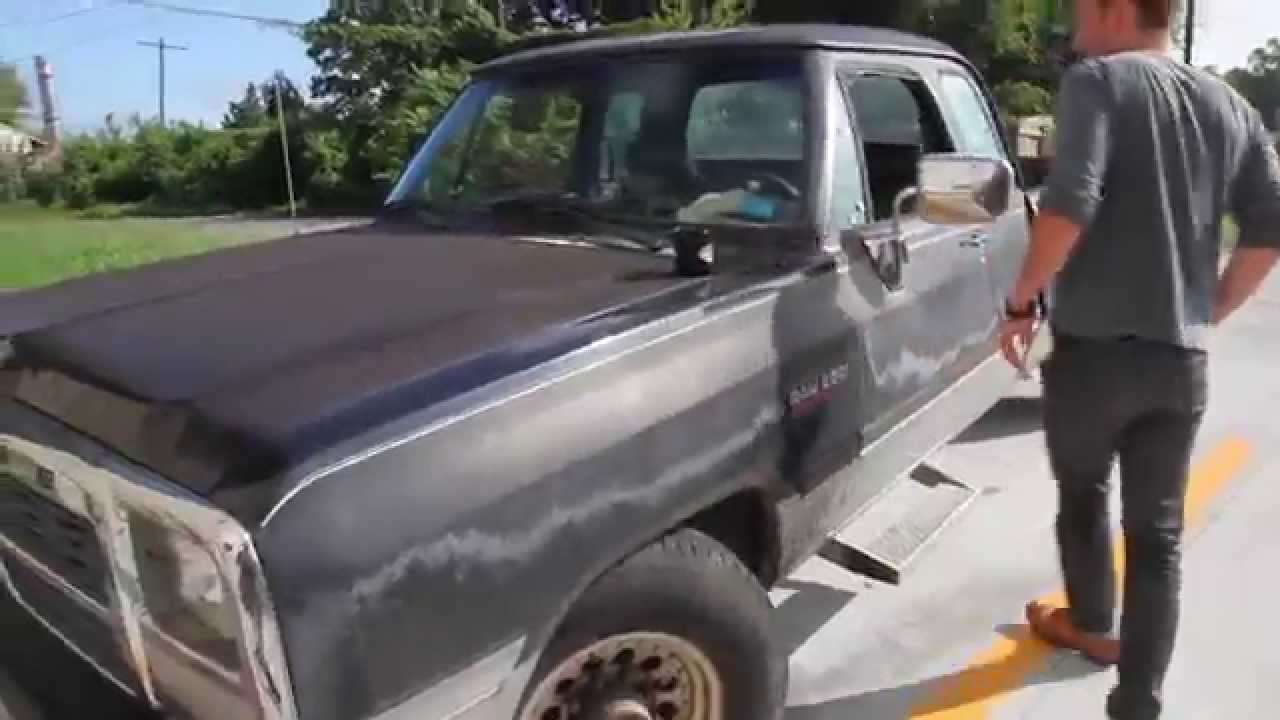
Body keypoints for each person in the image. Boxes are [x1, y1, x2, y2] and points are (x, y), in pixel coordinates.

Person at [998, 0, 1280, 718]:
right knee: (1156, 540)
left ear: (1114, 9)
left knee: (1083, 498)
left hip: (1093, 357)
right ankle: (1137, 702)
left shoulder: (1099, 82)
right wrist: (1209, 308)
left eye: (1078, 13)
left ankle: (1094, 626)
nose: (1073, 31)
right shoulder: (1233, 107)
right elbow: (1271, 222)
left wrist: (1021, 300)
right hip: (1178, 364)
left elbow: (1069, 202)